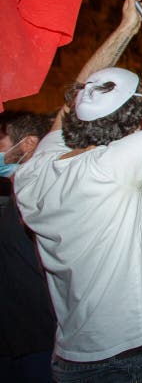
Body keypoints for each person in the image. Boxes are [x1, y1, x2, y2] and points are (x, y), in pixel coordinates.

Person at [14, 0, 142, 382]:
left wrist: (125, 29)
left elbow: (75, 97)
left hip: (69, 354)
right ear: (132, 123)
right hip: (127, 353)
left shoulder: (34, 170)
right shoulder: (113, 166)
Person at [0, 112, 55, 382]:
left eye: (1, 142)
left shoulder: (41, 194)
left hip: (38, 336)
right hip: (12, 338)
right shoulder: (13, 194)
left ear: (29, 143)